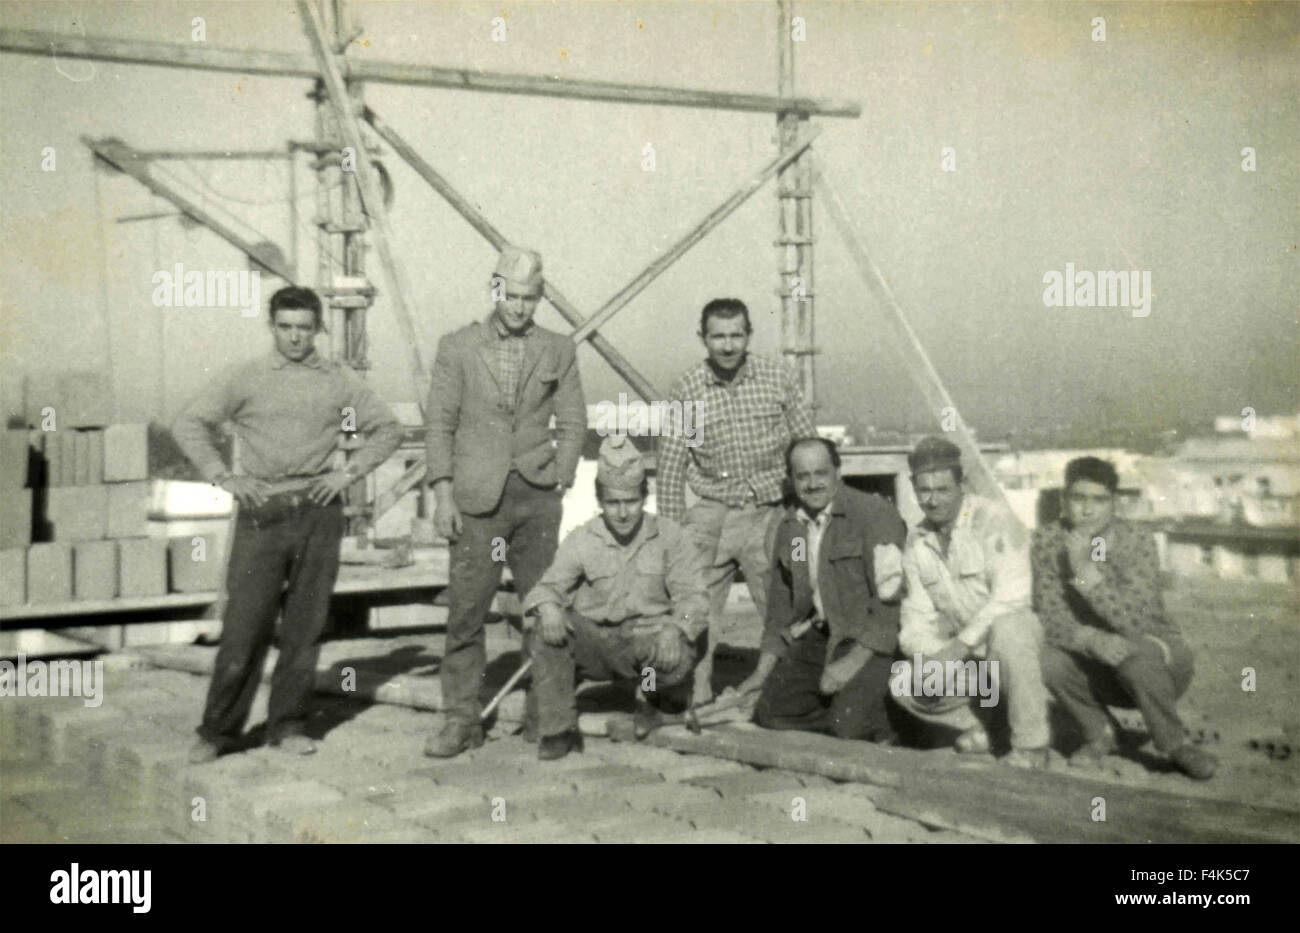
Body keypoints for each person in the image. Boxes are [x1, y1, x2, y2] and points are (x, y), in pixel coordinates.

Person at [172, 285, 403, 762]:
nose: (295, 337)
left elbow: (388, 430)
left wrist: (348, 471)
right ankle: (217, 731)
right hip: (263, 513)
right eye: (285, 327)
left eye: (304, 328)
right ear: (272, 326)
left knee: (306, 626)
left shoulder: (338, 382)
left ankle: (289, 724)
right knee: (244, 628)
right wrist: (224, 476)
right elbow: (189, 423)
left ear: (317, 329)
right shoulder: (247, 377)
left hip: (319, 512)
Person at [423, 246, 586, 758]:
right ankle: (461, 720)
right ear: (496, 291)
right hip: (475, 500)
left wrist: (558, 478)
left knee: (546, 608)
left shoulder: (558, 348)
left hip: (536, 498)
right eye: (510, 296)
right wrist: (443, 493)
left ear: (540, 298)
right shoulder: (458, 347)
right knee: (467, 612)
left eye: (528, 298)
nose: (518, 307)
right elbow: (440, 424)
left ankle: (548, 718)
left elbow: (575, 419)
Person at [657, 298, 816, 705]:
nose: (727, 346)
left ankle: (786, 689)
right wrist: (671, 534)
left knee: (783, 602)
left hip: (769, 509)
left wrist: (810, 513)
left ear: (748, 335)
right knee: (696, 603)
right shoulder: (689, 388)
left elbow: (806, 445)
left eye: (736, 335)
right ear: (703, 338)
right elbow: (673, 465)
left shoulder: (776, 378)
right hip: (713, 511)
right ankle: (696, 688)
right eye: (718, 336)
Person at [521, 436, 709, 760]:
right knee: (544, 628)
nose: (622, 513)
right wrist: (549, 607)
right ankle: (557, 729)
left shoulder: (670, 536)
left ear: (644, 498)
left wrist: (675, 629)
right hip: (597, 645)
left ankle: (648, 697)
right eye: (613, 503)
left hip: (646, 645)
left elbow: (695, 599)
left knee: (676, 656)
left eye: (631, 501)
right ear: (600, 501)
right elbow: (545, 588)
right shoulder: (582, 538)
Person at [1034, 456, 1218, 780]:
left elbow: (1133, 620)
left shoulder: (1137, 540)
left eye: (1099, 500)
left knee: (1135, 654)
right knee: (1047, 659)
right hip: (1096, 660)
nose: (1087, 510)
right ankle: (1100, 733)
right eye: (1078, 498)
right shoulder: (1047, 540)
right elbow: (1049, 613)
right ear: (1064, 500)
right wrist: (1090, 639)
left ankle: (1175, 744)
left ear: (1114, 503)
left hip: (1158, 662)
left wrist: (1083, 571)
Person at [891, 436, 1052, 769]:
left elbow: (1012, 597)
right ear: (913, 488)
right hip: (970, 661)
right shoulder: (917, 542)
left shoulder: (995, 520)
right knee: (904, 679)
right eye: (924, 491)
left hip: (1015, 652)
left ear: (961, 483)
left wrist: (958, 647)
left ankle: (1032, 746)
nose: (932, 500)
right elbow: (915, 619)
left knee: (1009, 630)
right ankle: (987, 727)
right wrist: (934, 656)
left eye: (942, 489)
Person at [745, 437, 908, 742]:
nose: (812, 484)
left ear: (837, 471)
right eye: (802, 476)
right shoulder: (792, 529)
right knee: (770, 713)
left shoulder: (873, 514)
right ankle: (851, 712)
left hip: (871, 641)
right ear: (791, 480)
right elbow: (780, 610)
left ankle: (886, 717)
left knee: (849, 728)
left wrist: (852, 663)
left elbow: (891, 607)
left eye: (820, 473)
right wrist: (760, 674)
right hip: (824, 638)